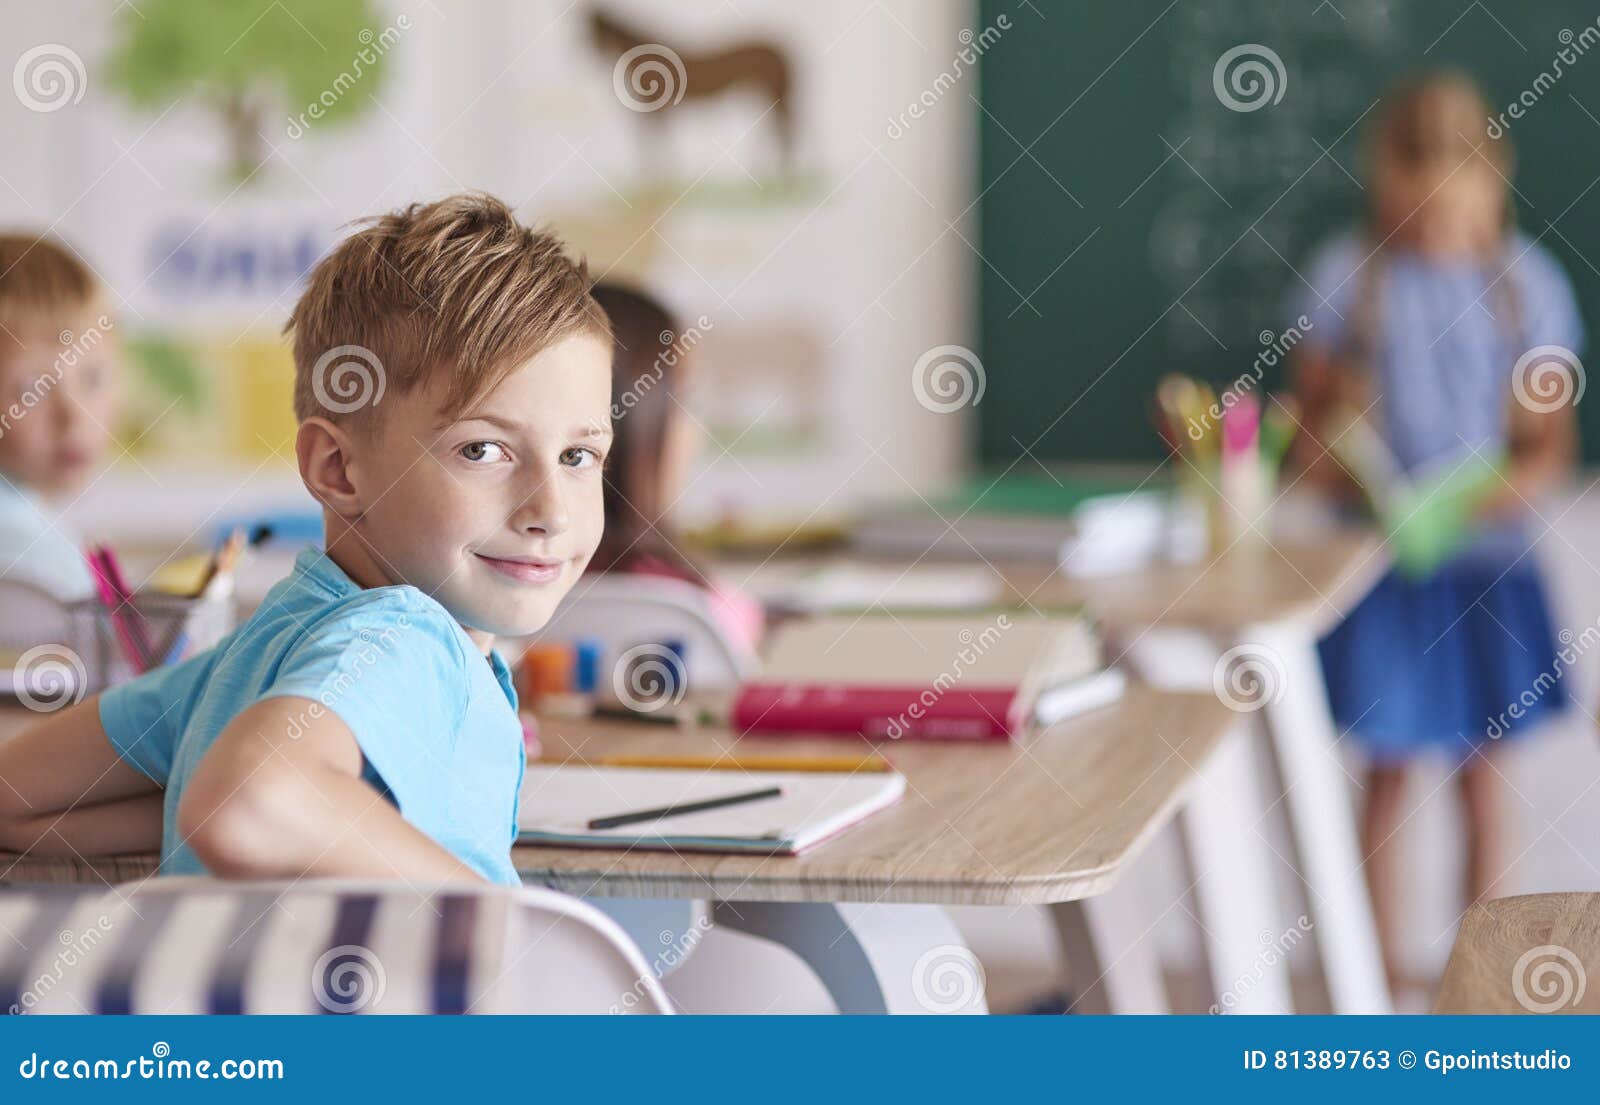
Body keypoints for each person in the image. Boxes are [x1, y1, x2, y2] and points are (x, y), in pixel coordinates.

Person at [0, 193, 613, 885]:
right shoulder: (411, 638)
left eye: (577, 457)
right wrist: (493, 912)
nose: (551, 511)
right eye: (482, 450)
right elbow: (246, 803)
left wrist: (189, 801)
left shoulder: (252, 654)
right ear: (337, 468)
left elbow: (15, 799)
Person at [1289, 73, 1581, 993]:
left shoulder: (1528, 286)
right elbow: (1306, 441)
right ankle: (1365, 987)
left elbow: (1548, 452)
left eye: (1452, 215)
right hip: (1378, 570)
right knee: (1385, 777)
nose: (1432, 233)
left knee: (1484, 783)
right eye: (1414, 215)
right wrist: (1372, 489)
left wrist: (1456, 503)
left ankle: (1482, 993)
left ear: (1491, 185)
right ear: (1384, 187)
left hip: (1490, 571)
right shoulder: (1348, 276)